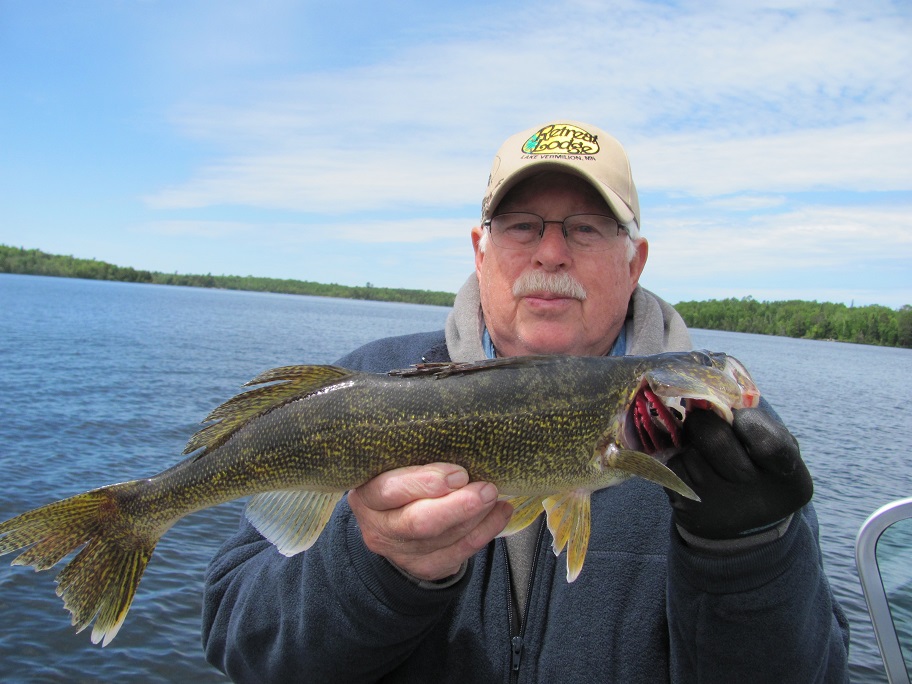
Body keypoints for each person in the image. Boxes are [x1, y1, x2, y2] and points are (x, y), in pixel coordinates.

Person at [202, 120, 850, 682]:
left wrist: (748, 555)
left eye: (586, 228)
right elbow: (243, 644)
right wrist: (383, 566)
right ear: (479, 251)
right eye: (521, 226)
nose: (550, 252)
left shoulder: (723, 444)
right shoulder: (364, 381)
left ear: (636, 261)